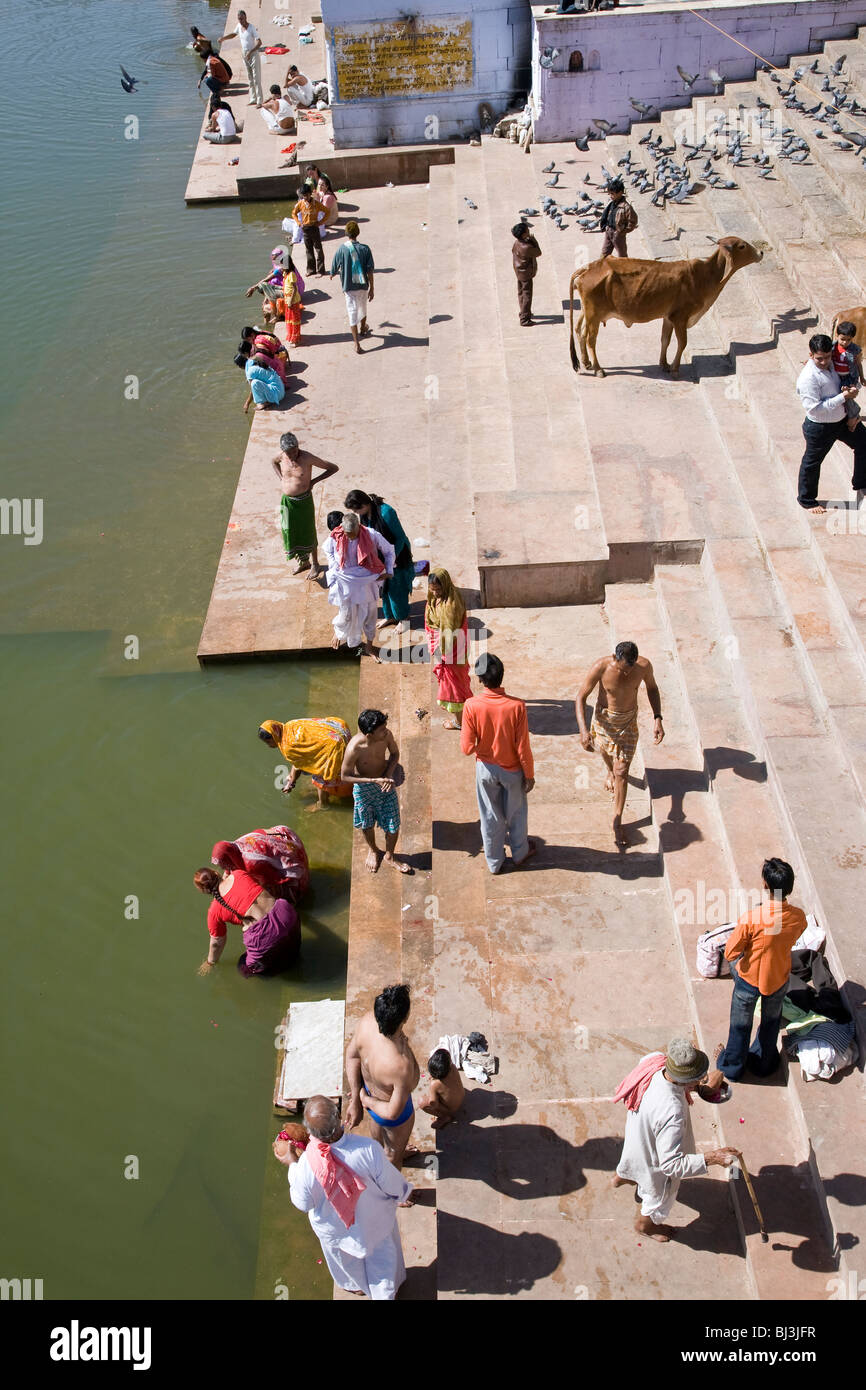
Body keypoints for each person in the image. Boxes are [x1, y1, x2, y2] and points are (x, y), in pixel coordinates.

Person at [274, 1095, 412, 1300]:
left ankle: (357, 1287)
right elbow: (392, 1185)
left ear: (310, 1132)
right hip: (374, 1223)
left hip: (336, 1232)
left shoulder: (306, 1166)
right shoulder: (367, 1149)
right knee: (383, 1262)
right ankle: (385, 1294)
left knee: (347, 1264)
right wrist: (403, 1193)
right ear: (338, 1117)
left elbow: (303, 1203)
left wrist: (291, 1162)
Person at [613, 1038, 739, 1242]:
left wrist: (692, 1077)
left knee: (633, 1158)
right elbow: (671, 1165)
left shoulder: (655, 1062)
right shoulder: (672, 1111)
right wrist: (712, 1158)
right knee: (658, 1195)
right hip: (656, 1158)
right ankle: (646, 1227)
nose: (702, 1081)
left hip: (638, 1132)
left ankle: (623, 1176)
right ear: (688, 1081)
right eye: (699, 1079)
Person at [717, 858, 807, 1081]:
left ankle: (733, 1067)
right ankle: (764, 1063)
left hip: (749, 980)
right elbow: (796, 935)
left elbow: (730, 953)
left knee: (740, 1025)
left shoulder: (753, 918)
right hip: (778, 978)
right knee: (770, 1023)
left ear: (765, 885)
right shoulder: (798, 917)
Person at [576, 641, 663, 849]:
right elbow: (580, 697)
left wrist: (657, 717)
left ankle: (617, 818)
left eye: (631, 666)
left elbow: (652, 688)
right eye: (625, 666)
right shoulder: (601, 667)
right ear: (616, 659)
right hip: (605, 720)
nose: (628, 671)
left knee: (622, 770)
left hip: (628, 723)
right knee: (606, 753)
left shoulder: (643, 666)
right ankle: (609, 771)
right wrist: (583, 730)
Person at [460, 653, 536, 874]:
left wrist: (483, 750)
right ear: (502, 676)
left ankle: (494, 862)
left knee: (490, 815)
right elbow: (523, 747)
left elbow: (465, 748)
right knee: (517, 813)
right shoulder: (517, 706)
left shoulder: (471, 705)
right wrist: (529, 775)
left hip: (485, 768)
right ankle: (520, 853)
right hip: (513, 772)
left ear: (480, 679)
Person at [345, 985, 420, 1165]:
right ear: (406, 1017)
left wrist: (356, 1098)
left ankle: (385, 1151)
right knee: (392, 1157)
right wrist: (364, 1100)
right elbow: (393, 1113)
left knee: (379, 1141)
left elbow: (352, 1055)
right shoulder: (400, 1065)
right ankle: (396, 1192)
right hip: (390, 1112)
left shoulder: (366, 1022)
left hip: (373, 1101)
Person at [796, 333, 866, 513]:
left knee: (864, 442)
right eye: (819, 358)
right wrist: (842, 397)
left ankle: (861, 482)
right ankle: (807, 500)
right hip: (820, 427)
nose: (825, 361)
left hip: (842, 420)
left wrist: (850, 393)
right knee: (812, 463)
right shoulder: (808, 378)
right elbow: (815, 409)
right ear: (811, 355)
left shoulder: (834, 361)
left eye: (827, 357)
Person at [193, 865, 301, 978]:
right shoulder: (239, 874)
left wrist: (210, 962)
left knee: (243, 967)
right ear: (216, 873)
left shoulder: (214, 911)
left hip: (266, 937)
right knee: (290, 945)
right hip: (286, 914)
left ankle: (280, 971)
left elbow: (216, 943)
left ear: (204, 890)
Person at [341, 710, 411, 875]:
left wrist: (386, 776)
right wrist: (372, 781)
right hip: (364, 788)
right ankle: (373, 850)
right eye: (381, 729)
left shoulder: (386, 736)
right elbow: (345, 776)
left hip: (384, 783)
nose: (386, 731)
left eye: (385, 727)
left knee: (394, 826)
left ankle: (390, 856)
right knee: (367, 825)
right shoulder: (354, 748)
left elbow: (394, 754)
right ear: (369, 734)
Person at [322, 512, 395, 657]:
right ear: (342, 528)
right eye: (347, 533)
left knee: (370, 614)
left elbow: (389, 551)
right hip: (345, 581)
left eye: (353, 534)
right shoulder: (337, 535)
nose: (349, 537)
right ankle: (339, 633)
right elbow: (327, 550)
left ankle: (368, 646)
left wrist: (389, 569)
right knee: (345, 612)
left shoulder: (371, 534)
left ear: (359, 528)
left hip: (367, 581)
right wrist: (334, 565)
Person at [344, 490, 414, 632]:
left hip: (397, 556)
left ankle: (404, 618)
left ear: (365, 503)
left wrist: (390, 560)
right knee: (384, 588)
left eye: (357, 509)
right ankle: (390, 616)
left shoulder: (387, 512)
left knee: (397, 589)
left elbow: (400, 537)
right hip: (379, 558)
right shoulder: (363, 514)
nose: (357, 513)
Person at [271, 431, 338, 577]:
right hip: (287, 502)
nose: (293, 454)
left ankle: (315, 563)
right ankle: (303, 562)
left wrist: (313, 481)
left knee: (308, 530)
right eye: (289, 452)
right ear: (284, 451)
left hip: (304, 501)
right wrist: (281, 478)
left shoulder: (307, 458)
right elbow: (273, 462)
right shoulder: (281, 456)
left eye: (295, 450)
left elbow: (333, 468)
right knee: (290, 530)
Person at [258, 717, 351, 811]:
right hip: (340, 728)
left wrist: (292, 782)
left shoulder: (287, 747)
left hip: (335, 746)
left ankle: (322, 805)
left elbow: (299, 766)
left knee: (319, 777)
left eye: (268, 742)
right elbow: (299, 759)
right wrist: (291, 778)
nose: (269, 746)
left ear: (274, 736)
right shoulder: (289, 725)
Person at [425, 569, 472, 729]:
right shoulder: (435, 597)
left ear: (445, 585)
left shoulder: (451, 605)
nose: (435, 593)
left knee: (454, 689)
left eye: (438, 589)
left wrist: (441, 655)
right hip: (446, 647)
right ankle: (465, 711)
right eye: (432, 589)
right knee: (457, 683)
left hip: (451, 651)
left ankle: (459, 722)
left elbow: (449, 635)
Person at [211, 825, 310, 902]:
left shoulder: (251, 863)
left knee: (274, 896)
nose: (222, 867)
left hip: (294, 861)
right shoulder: (236, 845)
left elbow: (270, 882)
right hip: (286, 837)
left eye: (224, 864)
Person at [329, 220, 375, 352]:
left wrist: (332, 273)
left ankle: (356, 343)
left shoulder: (342, 249)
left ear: (346, 233)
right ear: (358, 233)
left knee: (352, 312)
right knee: (363, 308)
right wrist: (372, 288)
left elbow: (334, 264)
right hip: (362, 285)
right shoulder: (365, 249)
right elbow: (370, 270)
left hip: (348, 286)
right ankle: (363, 328)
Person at [245, 247, 304, 342]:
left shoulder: (288, 273)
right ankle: (271, 327)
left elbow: (294, 288)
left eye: (275, 257)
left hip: (291, 297)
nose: (273, 258)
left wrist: (289, 301)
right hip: (289, 295)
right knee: (289, 319)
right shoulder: (285, 272)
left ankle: (290, 331)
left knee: (293, 320)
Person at [220, 9, 263, 107]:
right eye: (239, 19)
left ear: (246, 17)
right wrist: (224, 38)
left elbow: (259, 42)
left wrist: (251, 52)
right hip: (244, 53)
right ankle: (253, 98)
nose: (240, 21)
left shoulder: (251, 28)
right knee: (250, 77)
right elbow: (233, 34)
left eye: (242, 19)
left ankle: (259, 100)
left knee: (256, 78)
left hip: (253, 53)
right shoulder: (239, 26)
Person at [418, 1049, 465, 1130]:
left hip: (451, 1109)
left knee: (422, 1102)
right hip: (461, 1096)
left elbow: (433, 1104)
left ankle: (445, 1117)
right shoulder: (453, 1067)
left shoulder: (435, 1084)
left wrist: (431, 1091)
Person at [832, 320, 864, 431]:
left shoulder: (855, 350)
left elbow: (858, 364)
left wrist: (862, 377)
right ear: (837, 336)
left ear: (852, 338)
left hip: (849, 378)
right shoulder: (832, 348)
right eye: (842, 339)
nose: (845, 342)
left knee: (846, 395)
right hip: (836, 376)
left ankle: (854, 415)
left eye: (848, 340)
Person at [294, 181, 327, 278]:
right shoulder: (300, 204)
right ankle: (311, 270)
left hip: (314, 227)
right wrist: (299, 223)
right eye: (303, 196)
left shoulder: (316, 204)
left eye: (307, 195)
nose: (305, 198)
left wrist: (321, 222)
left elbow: (327, 212)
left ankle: (321, 270)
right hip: (305, 229)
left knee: (318, 249)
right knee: (308, 250)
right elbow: (294, 213)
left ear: (310, 194)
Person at [512, 222, 541, 327]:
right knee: (527, 295)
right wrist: (534, 240)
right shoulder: (526, 247)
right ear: (524, 234)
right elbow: (538, 252)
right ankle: (524, 319)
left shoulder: (517, 243)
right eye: (527, 230)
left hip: (519, 271)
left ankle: (523, 312)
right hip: (526, 273)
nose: (529, 231)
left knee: (521, 293)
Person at [599, 178, 634, 258]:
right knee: (604, 253)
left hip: (618, 235)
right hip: (609, 231)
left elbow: (632, 222)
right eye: (609, 194)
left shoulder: (626, 207)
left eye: (612, 194)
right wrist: (606, 227)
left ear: (620, 193)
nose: (611, 196)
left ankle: (625, 270)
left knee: (622, 255)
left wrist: (622, 231)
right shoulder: (611, 204)